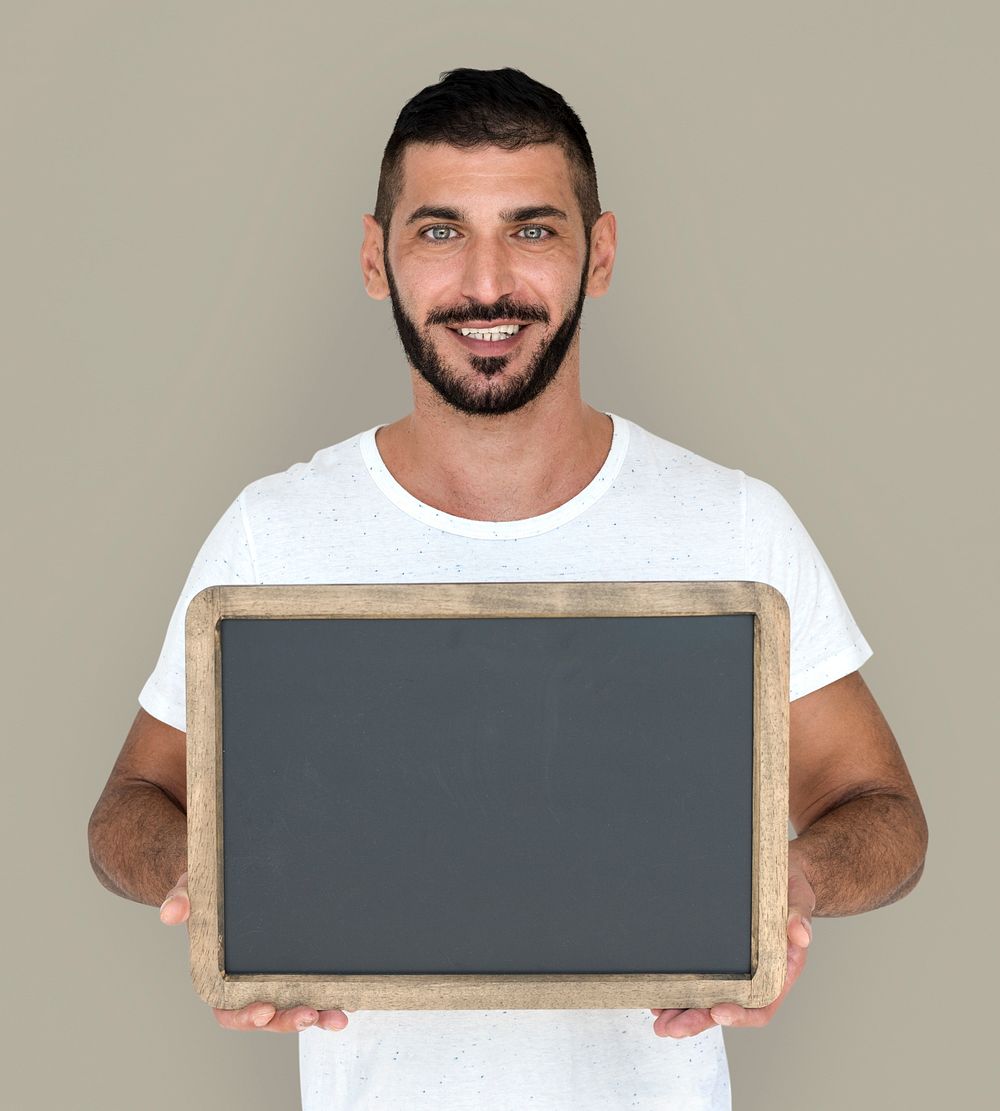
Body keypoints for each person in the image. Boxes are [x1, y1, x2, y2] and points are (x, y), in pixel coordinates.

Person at [88, 67, 927, 1110]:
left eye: (532, 230)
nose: (486, 283)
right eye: (439, 232)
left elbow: (883, 810)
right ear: (372, 258)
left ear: (600, 254)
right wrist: (208, 874)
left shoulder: (733, 522)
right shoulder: (275, 531)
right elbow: (131, 804)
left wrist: (791, 882)